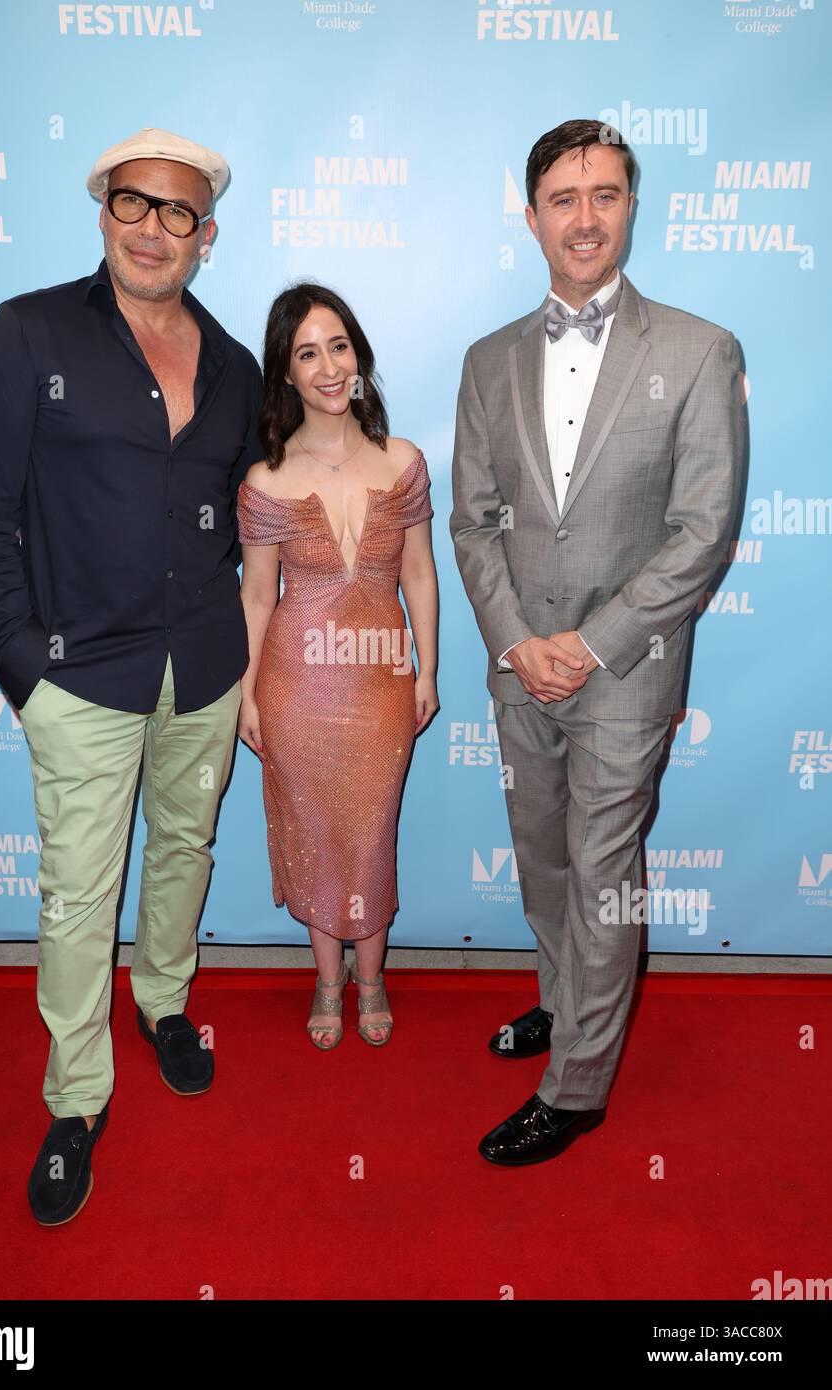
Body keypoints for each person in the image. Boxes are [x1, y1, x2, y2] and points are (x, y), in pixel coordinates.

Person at [0, 128, 264, 1225]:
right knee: (80, 893)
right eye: (133, 202)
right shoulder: (25, 332)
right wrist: (22, 667)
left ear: (205, 236)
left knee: (185, 847)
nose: (151, 228)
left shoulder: (234, 366)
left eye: (177, 213)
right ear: (103, 211)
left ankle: (164, 1001)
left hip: (206, 666)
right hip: (78, 676)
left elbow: (248, 521)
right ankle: (77, 1100)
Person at [450, 118, 746, 1165]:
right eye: (563, 198)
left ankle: (575, 1089)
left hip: (627, 671)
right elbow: (471, 523)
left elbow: (700, 532)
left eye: (605, 194)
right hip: (520, 668)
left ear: (630, 208)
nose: (584, 218)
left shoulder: (699, 350)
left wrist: (590, 641)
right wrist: (515, 640)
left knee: (603, 871)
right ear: (531, 217)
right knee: (541, 858)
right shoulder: (487, 361)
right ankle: (560, 998)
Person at [236, 283, 438, 1049]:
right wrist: (247, 694)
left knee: (372, 831)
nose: (327, 368)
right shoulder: (266, 479)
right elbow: (257, 596)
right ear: (285, 373)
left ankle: (372, 978)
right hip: (296, 687)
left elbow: (418, 573)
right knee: (317, 833)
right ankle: (327, 982)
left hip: (382, 682)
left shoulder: (403, 461)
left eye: (339, 346)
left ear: (359, 356)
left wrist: (427, 670)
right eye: (307, 354)